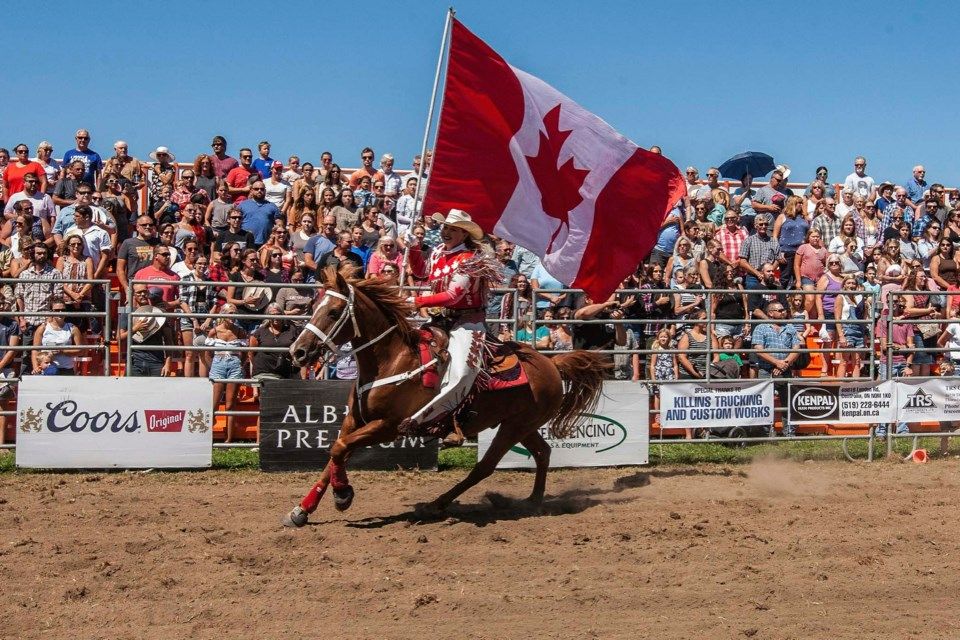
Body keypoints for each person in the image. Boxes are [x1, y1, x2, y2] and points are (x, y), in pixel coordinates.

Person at [399, 210, 501, 439]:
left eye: (453, 229)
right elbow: (421, 272)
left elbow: (453, 295)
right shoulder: (437, 252)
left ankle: (446, 418)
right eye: (445, 227)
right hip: (440, 318)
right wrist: (414, 248)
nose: (446, 232)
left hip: (467, 321)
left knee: (463, 371)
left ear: (464, 234)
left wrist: (417, 301)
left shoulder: (470, 260)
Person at [752, 300, 801, 435]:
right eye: (779, 310)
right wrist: (776, 363)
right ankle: (766, 432)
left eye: (783, 310)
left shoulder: (790, 327)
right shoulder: (761, 327)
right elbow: (758, 349)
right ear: (770, 313)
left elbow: (796, 348)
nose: (783, 312)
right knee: (765, 402)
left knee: (788, 400)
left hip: (785, 369)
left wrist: (783, 363)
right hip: (766, 369)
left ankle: (789, 432)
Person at [205, 304, 248, 443]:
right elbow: (207, 353)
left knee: (230, 404)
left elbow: (245, 352)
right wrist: (212, 366)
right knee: (214, 403)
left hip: (234, 364)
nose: (233, 316)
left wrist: (240, 364)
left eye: (235, 313)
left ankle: (229, 439)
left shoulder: (240, 331)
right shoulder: (214, 332)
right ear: (223, 314)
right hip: (218, 364)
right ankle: (207, 437)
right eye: (230, 313)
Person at [118, 285, 177, 377]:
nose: (142, 294)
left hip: (156, 362)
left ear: (149, 293)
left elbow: (169, 340)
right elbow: (119, 338)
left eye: (145, 292)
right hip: (135, 362)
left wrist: (168, 363)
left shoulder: (160, 313)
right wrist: (135, 329)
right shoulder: (127, 313)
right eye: (139, 292)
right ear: (133, 295)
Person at [15, 242, 63, 344]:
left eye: (44, 253)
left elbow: (57, 298)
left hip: (46, 322)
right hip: (28, 321)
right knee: (26, 356)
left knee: (46, 355)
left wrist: (51, 319)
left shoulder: (55, 274)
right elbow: (19, 297)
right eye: (39, 253)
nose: (42, 256)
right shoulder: (24, 274)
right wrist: (21, 318)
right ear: (33, 254)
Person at [250, 302, 300, 395]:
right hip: (265, 371)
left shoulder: (291, 329)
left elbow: (298, 348)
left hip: (285, 371)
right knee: (270, 402)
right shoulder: (260, 331)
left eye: (278, 314)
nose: (275, 317)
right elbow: (251, 353)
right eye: (272, 315)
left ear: (282, 315)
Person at [31, 298, 84, 375]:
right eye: (57, 310)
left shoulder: (73, 328)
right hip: (46, 369)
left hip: (66, 369)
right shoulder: (43, 328)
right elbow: (35, 350)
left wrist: (62, 351)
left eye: (63, 310)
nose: (60, 312)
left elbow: (81, 350)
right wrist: (36, 367)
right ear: (52, 312)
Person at [834, 275, 871, 378]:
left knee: (857, 362)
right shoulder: (840, 297)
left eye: (853, 283)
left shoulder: (857, 299)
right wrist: (841, 335)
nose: (851, 285)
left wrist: (864, 333)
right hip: (847, 330)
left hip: (858, 331)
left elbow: (863, 319)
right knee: (844, 361)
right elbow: (837, 318)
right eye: (849, 283)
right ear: (844, 285)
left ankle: (856, 387)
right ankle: (839, 388)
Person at [238, 181, 279, 247]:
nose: (259, 191)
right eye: (256, 189)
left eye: (262, 189)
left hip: (266, 243)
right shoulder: (242, 205)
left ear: (265, 191)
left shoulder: (272, 206)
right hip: (246, 242)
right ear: (251, 190)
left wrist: (274, 233)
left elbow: (279, 223)